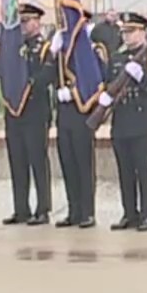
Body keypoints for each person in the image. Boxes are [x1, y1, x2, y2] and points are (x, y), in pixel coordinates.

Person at [101, 11, 147, 232]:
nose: (127, 37)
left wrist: (142, 78)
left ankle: (145, 214)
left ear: (142, 32)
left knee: (142, 170)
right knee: (125, 171)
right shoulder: (117, 58)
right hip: (121, 122)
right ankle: (129, 213)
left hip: (142, 122)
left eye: (131, 32)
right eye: (124, 32)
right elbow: (108, 82)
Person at [3, 2, 57, 225]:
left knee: (37, 161)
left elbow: (47, 74)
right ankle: (21, 208)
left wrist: (29, 84)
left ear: (38, 22)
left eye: (27, 21)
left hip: (35, 111)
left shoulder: (44, 48)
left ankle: (43, 208)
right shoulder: (13, 48)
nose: (23, 26)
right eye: (21, 21)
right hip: (15, 112)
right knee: (17, 162)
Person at [53, 29, 104, 230]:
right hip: (64, 115)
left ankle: (87, 212)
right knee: (68, 163)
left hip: (81, 114)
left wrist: (74, 92)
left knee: (84, 164)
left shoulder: (90, 52)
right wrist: (52, 54)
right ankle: (73, 211)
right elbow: (51, 76)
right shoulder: (60, 52)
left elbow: (97, 80)